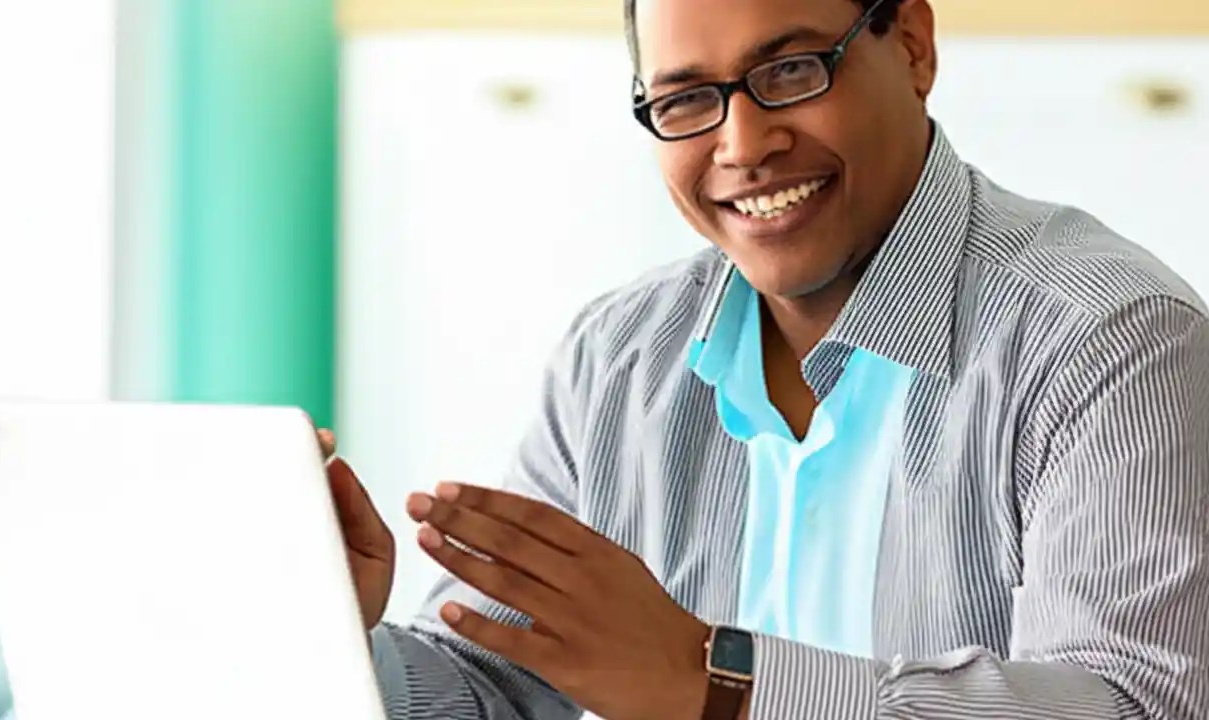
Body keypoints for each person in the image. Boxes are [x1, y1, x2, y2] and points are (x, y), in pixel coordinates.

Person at [327, 0, 1209, 717]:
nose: (742, 146)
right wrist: (334, 627)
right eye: (684, 101)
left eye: (791, 71)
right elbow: (502, 687)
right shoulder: (620, 358)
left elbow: (1130, 704)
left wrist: (713, 682)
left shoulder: (1113, 338)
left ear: (911, 44)